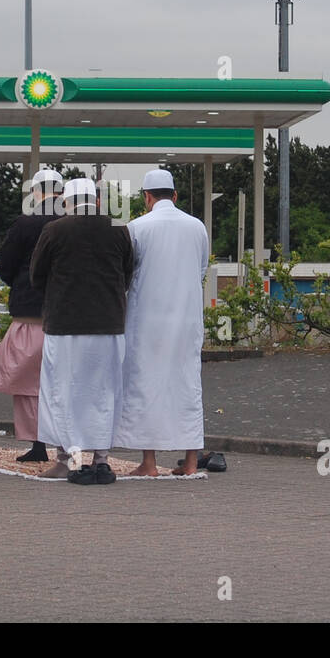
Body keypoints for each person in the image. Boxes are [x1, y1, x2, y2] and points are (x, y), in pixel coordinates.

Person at [30, 177, 134, 485]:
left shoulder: (54, 230)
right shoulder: (120, 229)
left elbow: (37, 276)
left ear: (67, 202)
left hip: (65, 325)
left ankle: (70, 461)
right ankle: (101, 461)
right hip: (109, 325)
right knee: (104, 392)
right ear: (97, 201)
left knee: (64, 393)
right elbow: (128, 272)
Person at [114, 169, 210, 476]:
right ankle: (191, 462)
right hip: (186, 319)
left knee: (146, 385)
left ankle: (149, 463)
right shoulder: (197, 227)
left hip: (147, 321)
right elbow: (201, 270)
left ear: (146, 197)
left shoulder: (136, 227)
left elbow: (127, 273)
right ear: (175, 195)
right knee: (188, 385)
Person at [0, 169, 64, 461]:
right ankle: (67, 447)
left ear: (35, 192)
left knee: (28, 383)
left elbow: (6, 265)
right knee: (63, 382)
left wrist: (21, 283)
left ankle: (38, 446)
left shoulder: (25, 223)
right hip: (68, 312)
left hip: (29, 312)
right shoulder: (71, 222)